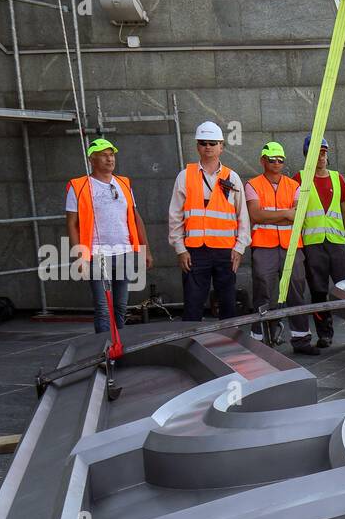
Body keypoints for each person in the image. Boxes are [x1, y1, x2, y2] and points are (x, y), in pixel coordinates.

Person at [65, 137, 153, 335]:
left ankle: (119, 347)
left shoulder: (123, 183)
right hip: (97, 255)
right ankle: (104, 351)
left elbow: (135, 217)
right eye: (103, 155)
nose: (109, 159)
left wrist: (145, 249)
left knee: (120, 307)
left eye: (111, 154)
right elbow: (71, 223)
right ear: (92, 160)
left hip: (124, 253)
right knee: (104, 310)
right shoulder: (78, 187)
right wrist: (79, 255)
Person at [294, 136, 345, 348]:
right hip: (313, 245)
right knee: (319, 291)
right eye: (316, 152)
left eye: (323, 151)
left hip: (338, 244)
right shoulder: (299, 179)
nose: (320, 156)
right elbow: (296, 215)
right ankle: (325, 334)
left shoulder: (337, 178)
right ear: (306, 155)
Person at [168, 121, 250, 321]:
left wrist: (239, 248)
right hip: (195, 252)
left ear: (221, 146)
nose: (208, 147)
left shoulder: (232, 177)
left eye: (212, 143)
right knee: (193, 306)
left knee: (228, 305)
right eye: (203, 142)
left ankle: (230, 345)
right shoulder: (184, 176)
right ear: (197, 146)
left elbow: (243, 216)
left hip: (225, 252)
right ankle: (192, 346)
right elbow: (175, 216)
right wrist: (180, 249)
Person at [245, 141, 311, 351]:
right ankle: (258, 340)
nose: (276, 163)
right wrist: (285, 214)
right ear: (262, 160)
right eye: (271, 159)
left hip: (292, 247)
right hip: (264, 247)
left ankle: (301, 340)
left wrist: (269, 217)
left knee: (296, 292)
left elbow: (298, 217)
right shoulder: (253, 185)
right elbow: (255, 214)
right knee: (262, 291)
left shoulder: (295, 186)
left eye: (280, 159)